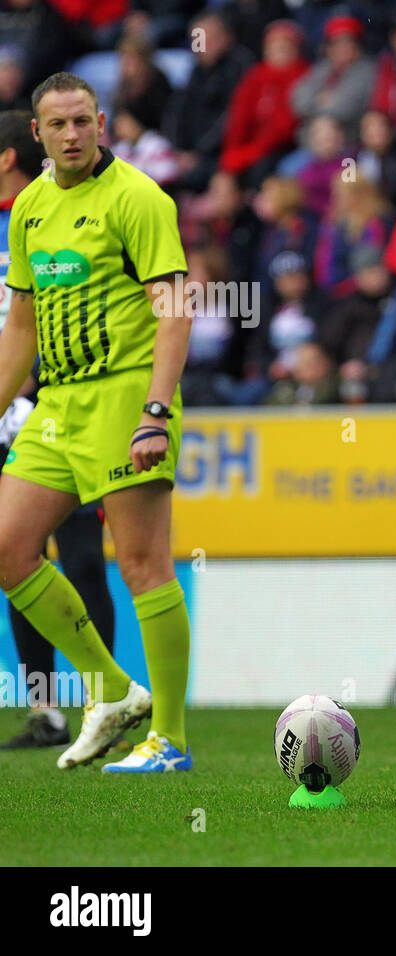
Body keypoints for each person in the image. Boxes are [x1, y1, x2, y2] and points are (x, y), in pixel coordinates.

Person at [0, 72, 193, 772]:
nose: (74, 135)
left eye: (84, 121)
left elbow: (174, 312)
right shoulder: (29, 208)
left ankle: (169, 739)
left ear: (102, 121)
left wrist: (153, 413)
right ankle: (110, 690)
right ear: (37, 133)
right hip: (57, 404)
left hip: (126, 394)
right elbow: (20, 323)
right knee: (7, 546)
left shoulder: (139, 199)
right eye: (59, 125)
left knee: (143, 566)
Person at [0, 108, 117, 750]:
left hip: (69, 403)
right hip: (20, 410)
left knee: (80, 558)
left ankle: (105, 701)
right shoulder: (24, 221)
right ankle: (47, 711)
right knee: (18, 554)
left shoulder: (72, 214)